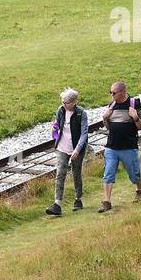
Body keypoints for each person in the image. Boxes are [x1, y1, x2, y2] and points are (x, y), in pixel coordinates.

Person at [100, 81, 141, 212]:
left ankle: (140, 189)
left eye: (113, 93)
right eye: (110, 92)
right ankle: (107, 201)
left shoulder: (134, 104)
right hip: (111, 147)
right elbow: (109, 127)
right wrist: (105, 119)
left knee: (134, 175)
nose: (111, 95)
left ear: (123, 92)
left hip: (128, 147)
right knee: (108, 174)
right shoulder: (112, 105)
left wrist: (136, 118)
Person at [45, 88, 89, 216]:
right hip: (62, 147)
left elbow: (84, 134)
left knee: (76, 173)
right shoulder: (61, 110)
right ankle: (57, 204)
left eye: (66, 102)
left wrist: (77, 150)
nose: (64, 104)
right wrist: (54, 129)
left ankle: (78, 199)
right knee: (60, 173)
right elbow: (57, 126)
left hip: (77, 148)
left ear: (74, 102)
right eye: (63, 102)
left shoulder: (81, 113)